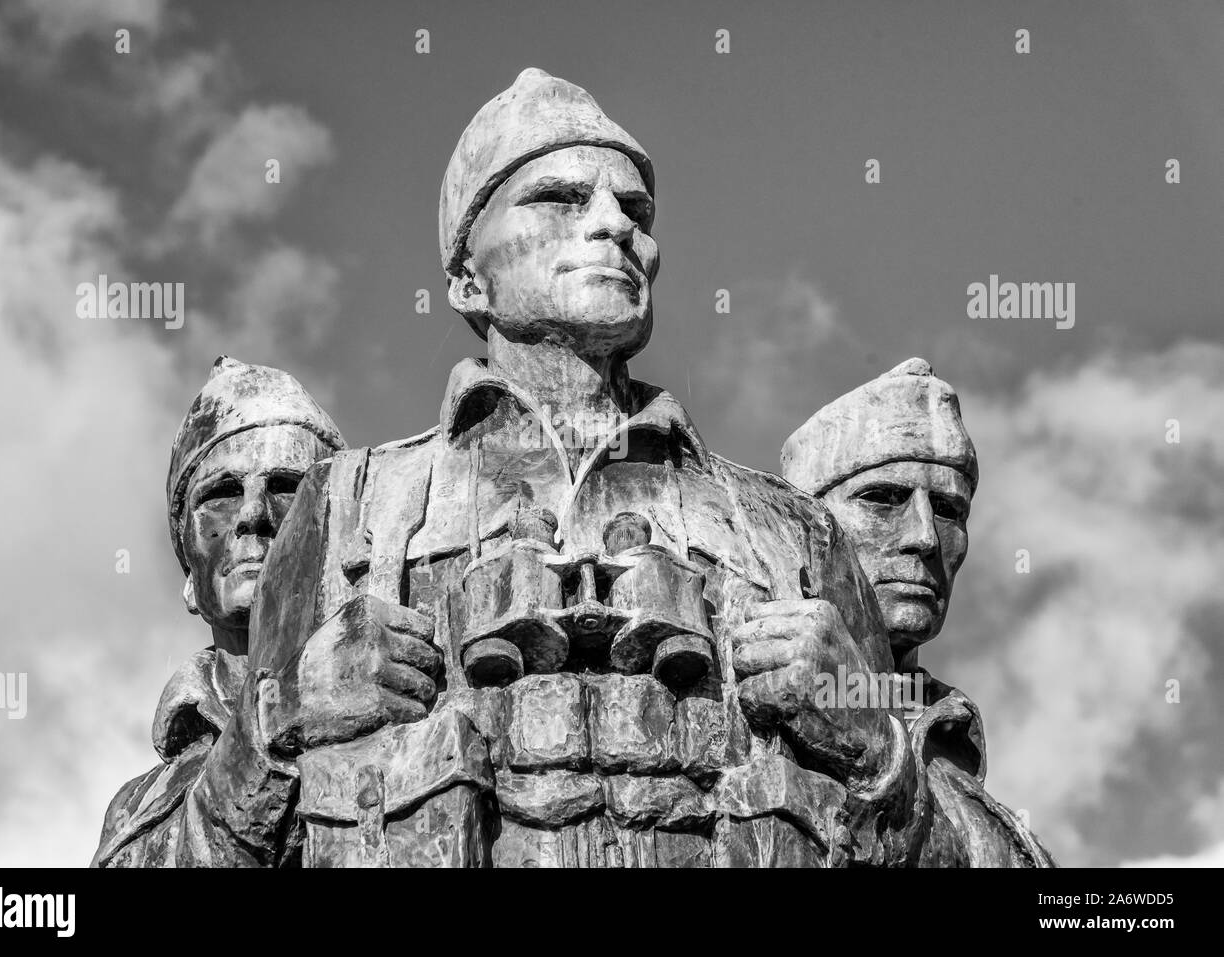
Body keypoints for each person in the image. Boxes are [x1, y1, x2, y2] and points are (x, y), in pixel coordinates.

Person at [248, 69, 926, 867]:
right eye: (562, 199)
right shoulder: (343, 508)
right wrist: (281, 723)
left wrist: (877, 749)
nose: (616, 228)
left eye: (635, 210)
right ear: (468, 277)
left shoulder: (799, 535)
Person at [782, 357, 1055, 865]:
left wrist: (870, 735)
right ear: (807, 523)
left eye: (949, 511)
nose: (925, 538)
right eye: (883, 498)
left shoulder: (954, 762)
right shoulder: (720, 682)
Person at [92, 356, 362, 866]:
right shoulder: (140, 808)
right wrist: (279, 712)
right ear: (190, 579)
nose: (254, 515)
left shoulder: (403, 684)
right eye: (221, 495)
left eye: (287, 486)